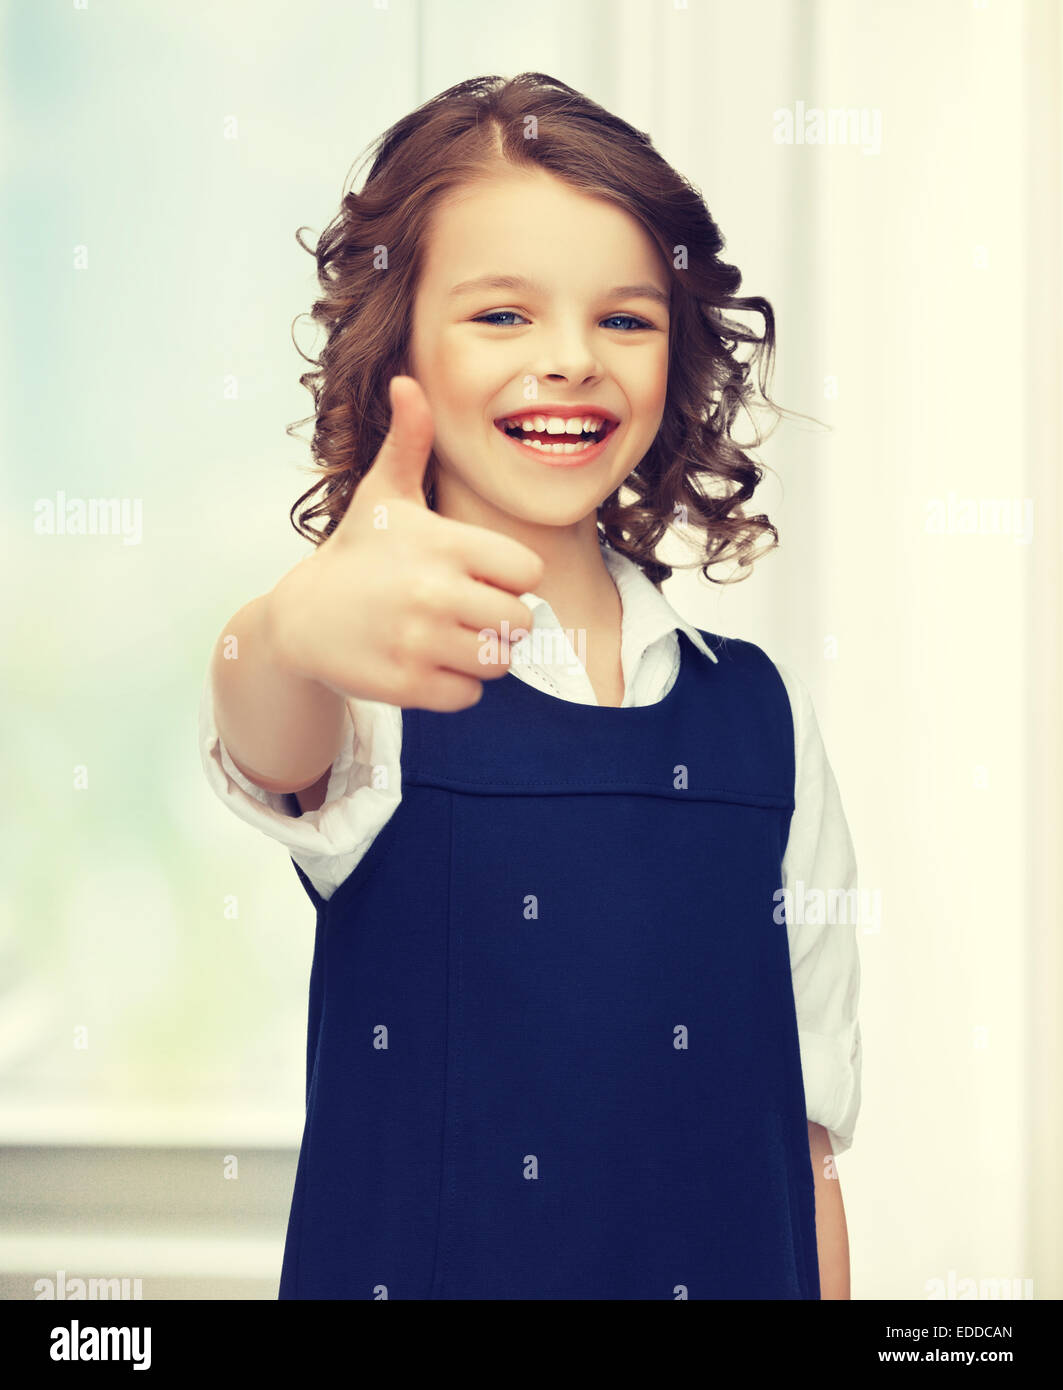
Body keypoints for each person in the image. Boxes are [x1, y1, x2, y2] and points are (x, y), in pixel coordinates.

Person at [200, 73, 862, 1300]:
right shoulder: (365, 681)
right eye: (501, 315)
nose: (569, 360)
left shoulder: (765, 723)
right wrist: (288, 629)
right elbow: (266, 734)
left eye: (624, 319)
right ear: (395, 345)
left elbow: (806, 1137)